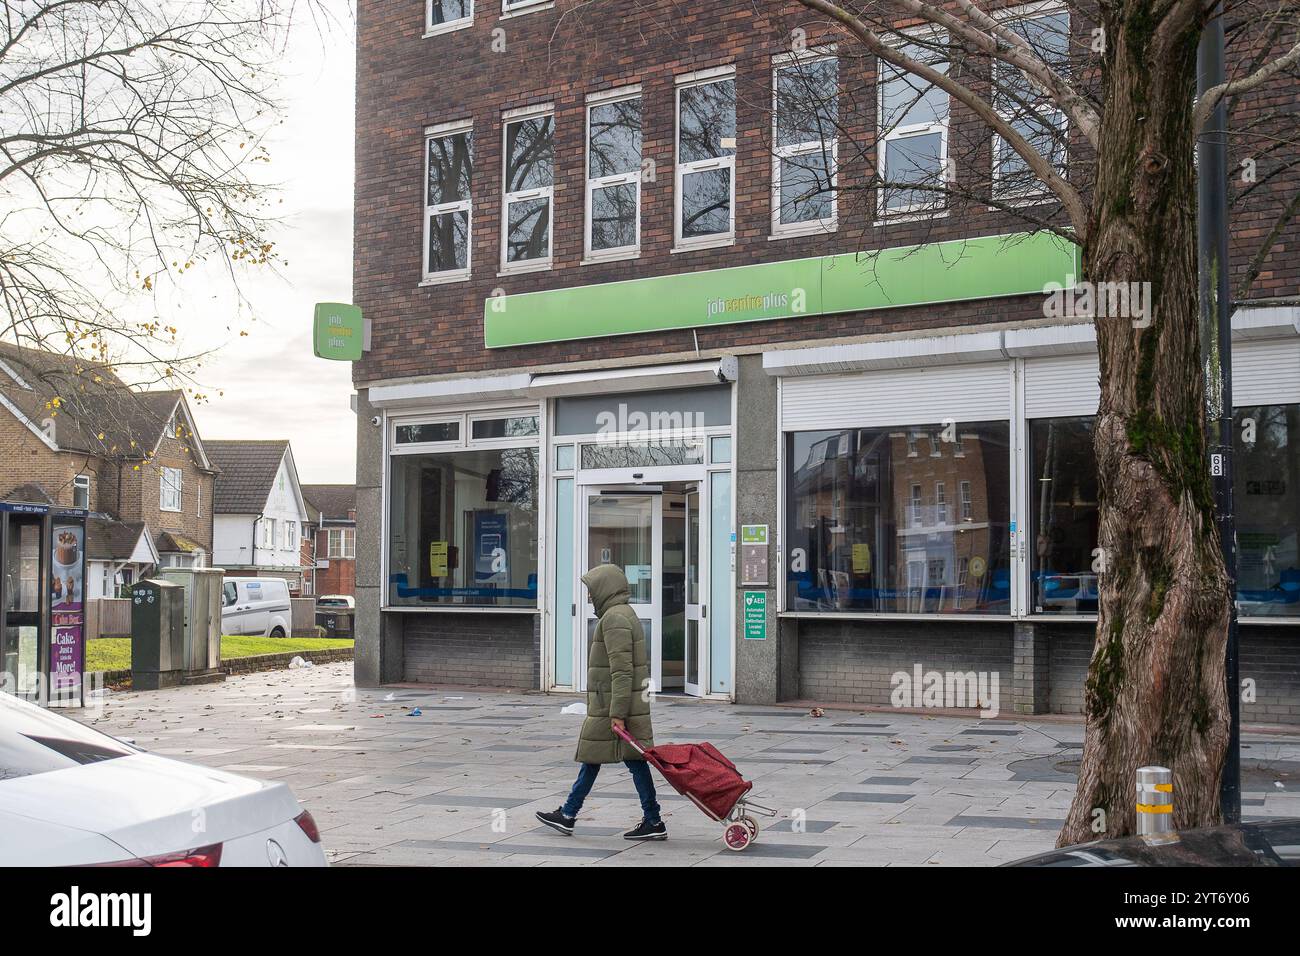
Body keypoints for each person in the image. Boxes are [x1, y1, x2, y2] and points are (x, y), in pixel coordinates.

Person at [536, 563, 666, 841]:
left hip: (614, 707)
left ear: (604, 588)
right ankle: (649, 819)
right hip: (614, 705)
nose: (589, 596)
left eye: (591, 590)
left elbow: (622, 671)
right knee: (613, 760)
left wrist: (617, 713)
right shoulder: (622, 614)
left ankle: (571, 814)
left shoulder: (615, 619)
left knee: (604, 759)